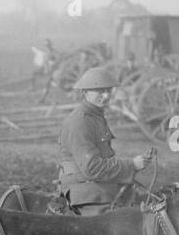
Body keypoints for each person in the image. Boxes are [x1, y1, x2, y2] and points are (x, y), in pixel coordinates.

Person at [56, 65, 151, 215]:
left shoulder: (96, 117)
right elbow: (92, 168)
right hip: (84, 192)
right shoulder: (80, 122)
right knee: (118, 228)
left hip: (97, 186)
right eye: (100, 91)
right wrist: (131, 165)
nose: (106, 95)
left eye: (108, 90)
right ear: (85, 92)